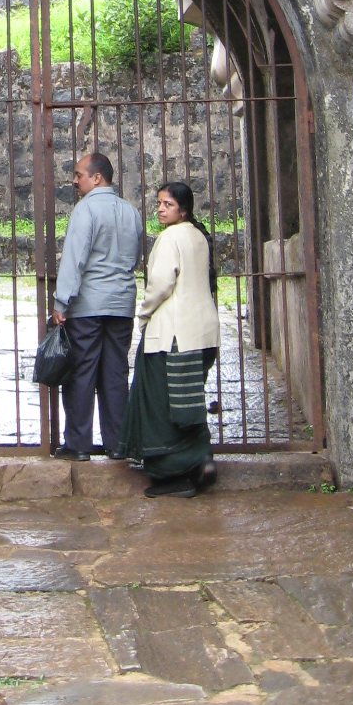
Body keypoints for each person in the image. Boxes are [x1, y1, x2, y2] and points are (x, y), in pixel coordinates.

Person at [120, 180, 220, 498]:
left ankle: (176, 472)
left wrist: (144, 315)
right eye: (160, 203)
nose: (162, 209)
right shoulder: (199, 236)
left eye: (169, 205)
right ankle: (200, 462)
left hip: (175, 336)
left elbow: (161, 284)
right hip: (203, 333)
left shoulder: (170, 237)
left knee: (164, 407)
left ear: (184, 209)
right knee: (188, 400)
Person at [50, 151, 144, 462]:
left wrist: (61, 302)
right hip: (121, 303)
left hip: (88, 305)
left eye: (79, 174)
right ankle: (119, 443)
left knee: (81, 373)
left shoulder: (85, 211)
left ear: (97, 177)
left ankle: (78, 444)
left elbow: (75, 259)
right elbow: (134, 258)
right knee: (116, 373)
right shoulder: (132, 212)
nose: (74, 180)